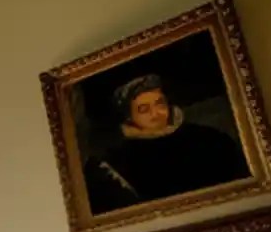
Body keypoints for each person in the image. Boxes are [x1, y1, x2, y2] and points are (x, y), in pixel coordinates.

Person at [83, 74, 249, 215]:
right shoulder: (120, 159)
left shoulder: (207, 138)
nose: (155, 113)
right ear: (129, 117)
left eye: (159, 103)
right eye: (144, 109)